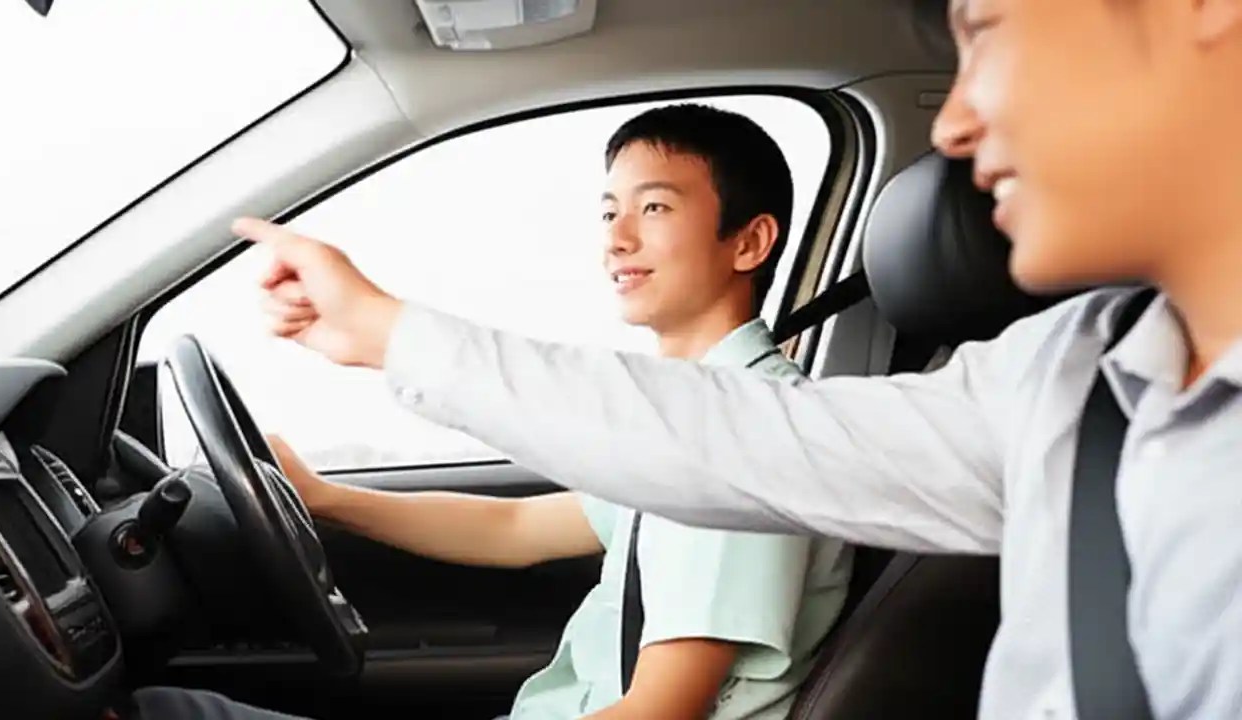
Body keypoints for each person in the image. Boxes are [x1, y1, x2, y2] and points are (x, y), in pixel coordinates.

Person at [238, 1, 1242, 719]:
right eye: (609, 212)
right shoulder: (1069, 376)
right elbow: (664, 465)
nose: (952, 122)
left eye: (982, 29)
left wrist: (391, 334)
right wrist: (338, 467)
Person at [262, 104, 852, 719]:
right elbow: (515, 530)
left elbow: (662, 711)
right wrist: (323, 498)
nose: (617, 238)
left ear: (749, 242)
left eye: (654, 208)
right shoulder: (690, 410)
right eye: (609, 211)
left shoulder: (739, 437)